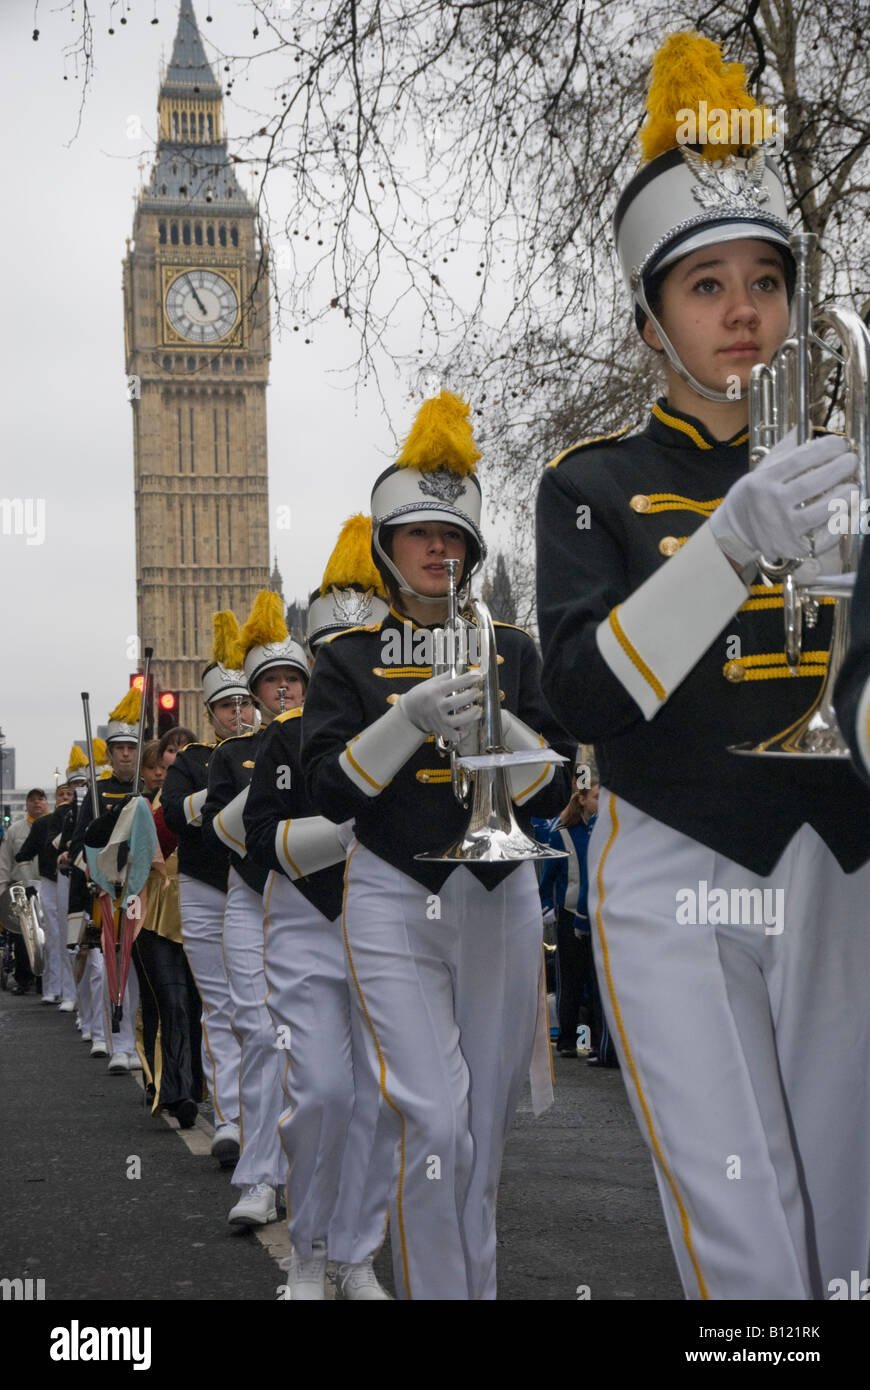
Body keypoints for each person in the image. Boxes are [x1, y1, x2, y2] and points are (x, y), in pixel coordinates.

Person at [536, 31, 870, 1301]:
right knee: (746, 1231)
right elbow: (580, 694)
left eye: (766, 281)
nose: (744, 311)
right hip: (677, 859)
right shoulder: (592, 485)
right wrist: (729, 548)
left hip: (839, 857)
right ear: (649, 323)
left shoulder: (855, 471)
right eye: (706, 284)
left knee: (851, 1224)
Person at [303, 391, 572, 1300]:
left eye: (453, 537)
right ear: (387, 549)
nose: (438, 550)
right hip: (389, 893)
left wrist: (497, 740)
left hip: (497, 894)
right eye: (418, 534)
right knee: (435, 1119)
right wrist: (408, 718)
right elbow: (327, 789)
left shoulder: (513, 650)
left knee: (482, 1141)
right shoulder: (343, 659)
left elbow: (564, 787)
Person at [244, 514, 394, 1299]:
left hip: (388, 924)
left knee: (376, 1101)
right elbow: (263, 837)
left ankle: (356, 1254)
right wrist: (351, 829)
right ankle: (307, 1250)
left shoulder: (407, 721)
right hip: (308, 925)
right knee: (325, 1095)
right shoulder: (287, 737)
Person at [201, 591, 309, 1227]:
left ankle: (316, 1176)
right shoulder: (234, 754)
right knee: (261, 1033)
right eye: (271, 683)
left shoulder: (333, 737)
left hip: (324, 898)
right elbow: (220, 829)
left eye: (294, 679)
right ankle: (261, 1177)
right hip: (254, 894)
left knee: (323, 1045)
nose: (284, 691)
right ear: (257, 692)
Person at [161, 618, 254, 1165]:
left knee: (259, 1004)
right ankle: (229, 1116)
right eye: (226, 705)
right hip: (203, 888)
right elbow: (174, 812)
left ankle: (268, 1112)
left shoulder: (274, 746)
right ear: (211, 712)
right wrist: (218, 799)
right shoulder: (194, 759)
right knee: (218, 1004)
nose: (237, 712)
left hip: (261, 886)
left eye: (244, 701)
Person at [68, 689, 146, 1076]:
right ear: (110, 753)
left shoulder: (147, 790)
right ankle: (114, 1041)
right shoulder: (96, 793)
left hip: (140, 890)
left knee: (135, 967)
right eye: (118, 749)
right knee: (109, 967)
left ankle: (138, 1043)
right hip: (106, 890)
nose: (125, 755)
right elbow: (79, 842)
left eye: (131, 748)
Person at [0, 788, 50, 994]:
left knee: (46, 937)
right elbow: (5, 860)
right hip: (20, 889)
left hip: (45, 886)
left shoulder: (54, 826)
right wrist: (3, 889)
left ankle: (44, 980)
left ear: (46, 803)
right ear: (27, 804)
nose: (36, 803)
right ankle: (23, 979)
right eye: (32, 800)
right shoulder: (15, 830)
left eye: (41, 799)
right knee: (23, 936)